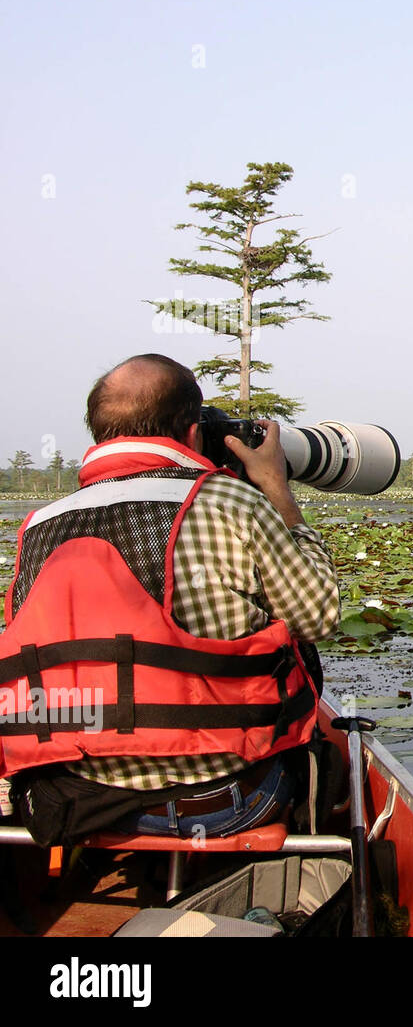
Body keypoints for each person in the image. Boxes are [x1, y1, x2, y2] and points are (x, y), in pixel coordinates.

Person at [0, 354, 340, 843]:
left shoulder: (39, 525)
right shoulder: (230, 501)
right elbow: (319, 617)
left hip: (74, 798)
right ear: (191, 430)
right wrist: (276, 489)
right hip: (229, 798)